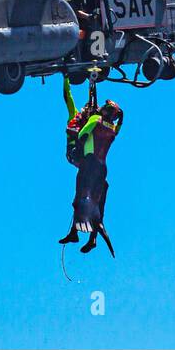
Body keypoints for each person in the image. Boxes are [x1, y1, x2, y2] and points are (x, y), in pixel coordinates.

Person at [58, 71, 123, 256]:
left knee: (86, 197)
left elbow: (94, 103)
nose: (88, 108)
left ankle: (86, 235)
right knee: (85, 195)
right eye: (86, 107)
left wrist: (92, 83)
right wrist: (66, 78)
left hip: (86, 160)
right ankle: (83, 233)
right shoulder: (76, 115)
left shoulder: (93, 121)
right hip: (76, 155)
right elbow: (68, 97)